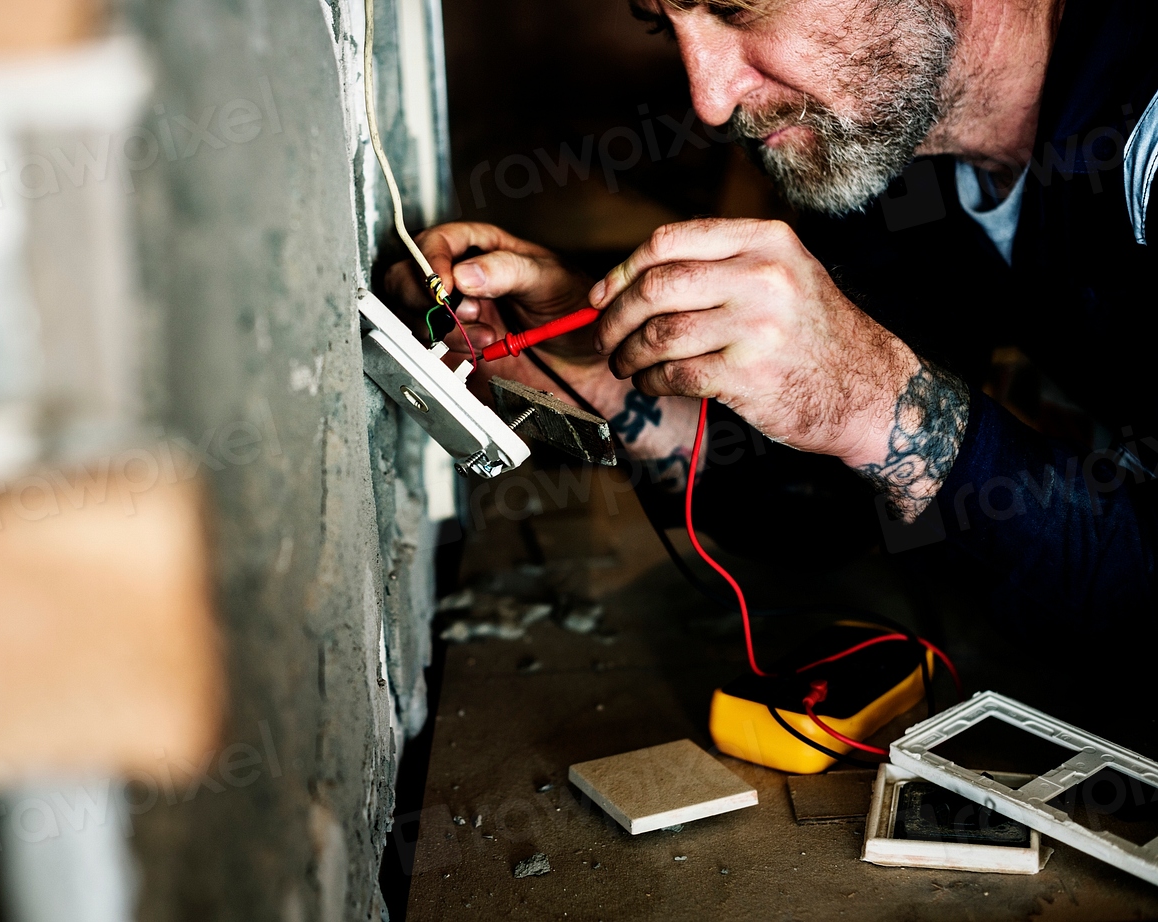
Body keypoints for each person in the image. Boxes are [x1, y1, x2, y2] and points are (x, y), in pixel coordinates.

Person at [386, 0, 1158, 640]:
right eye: (665, 24)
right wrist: (611, 378)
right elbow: (833, 510)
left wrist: (872, 396)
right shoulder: (888, 149)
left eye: (736, 9)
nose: (711, 100)